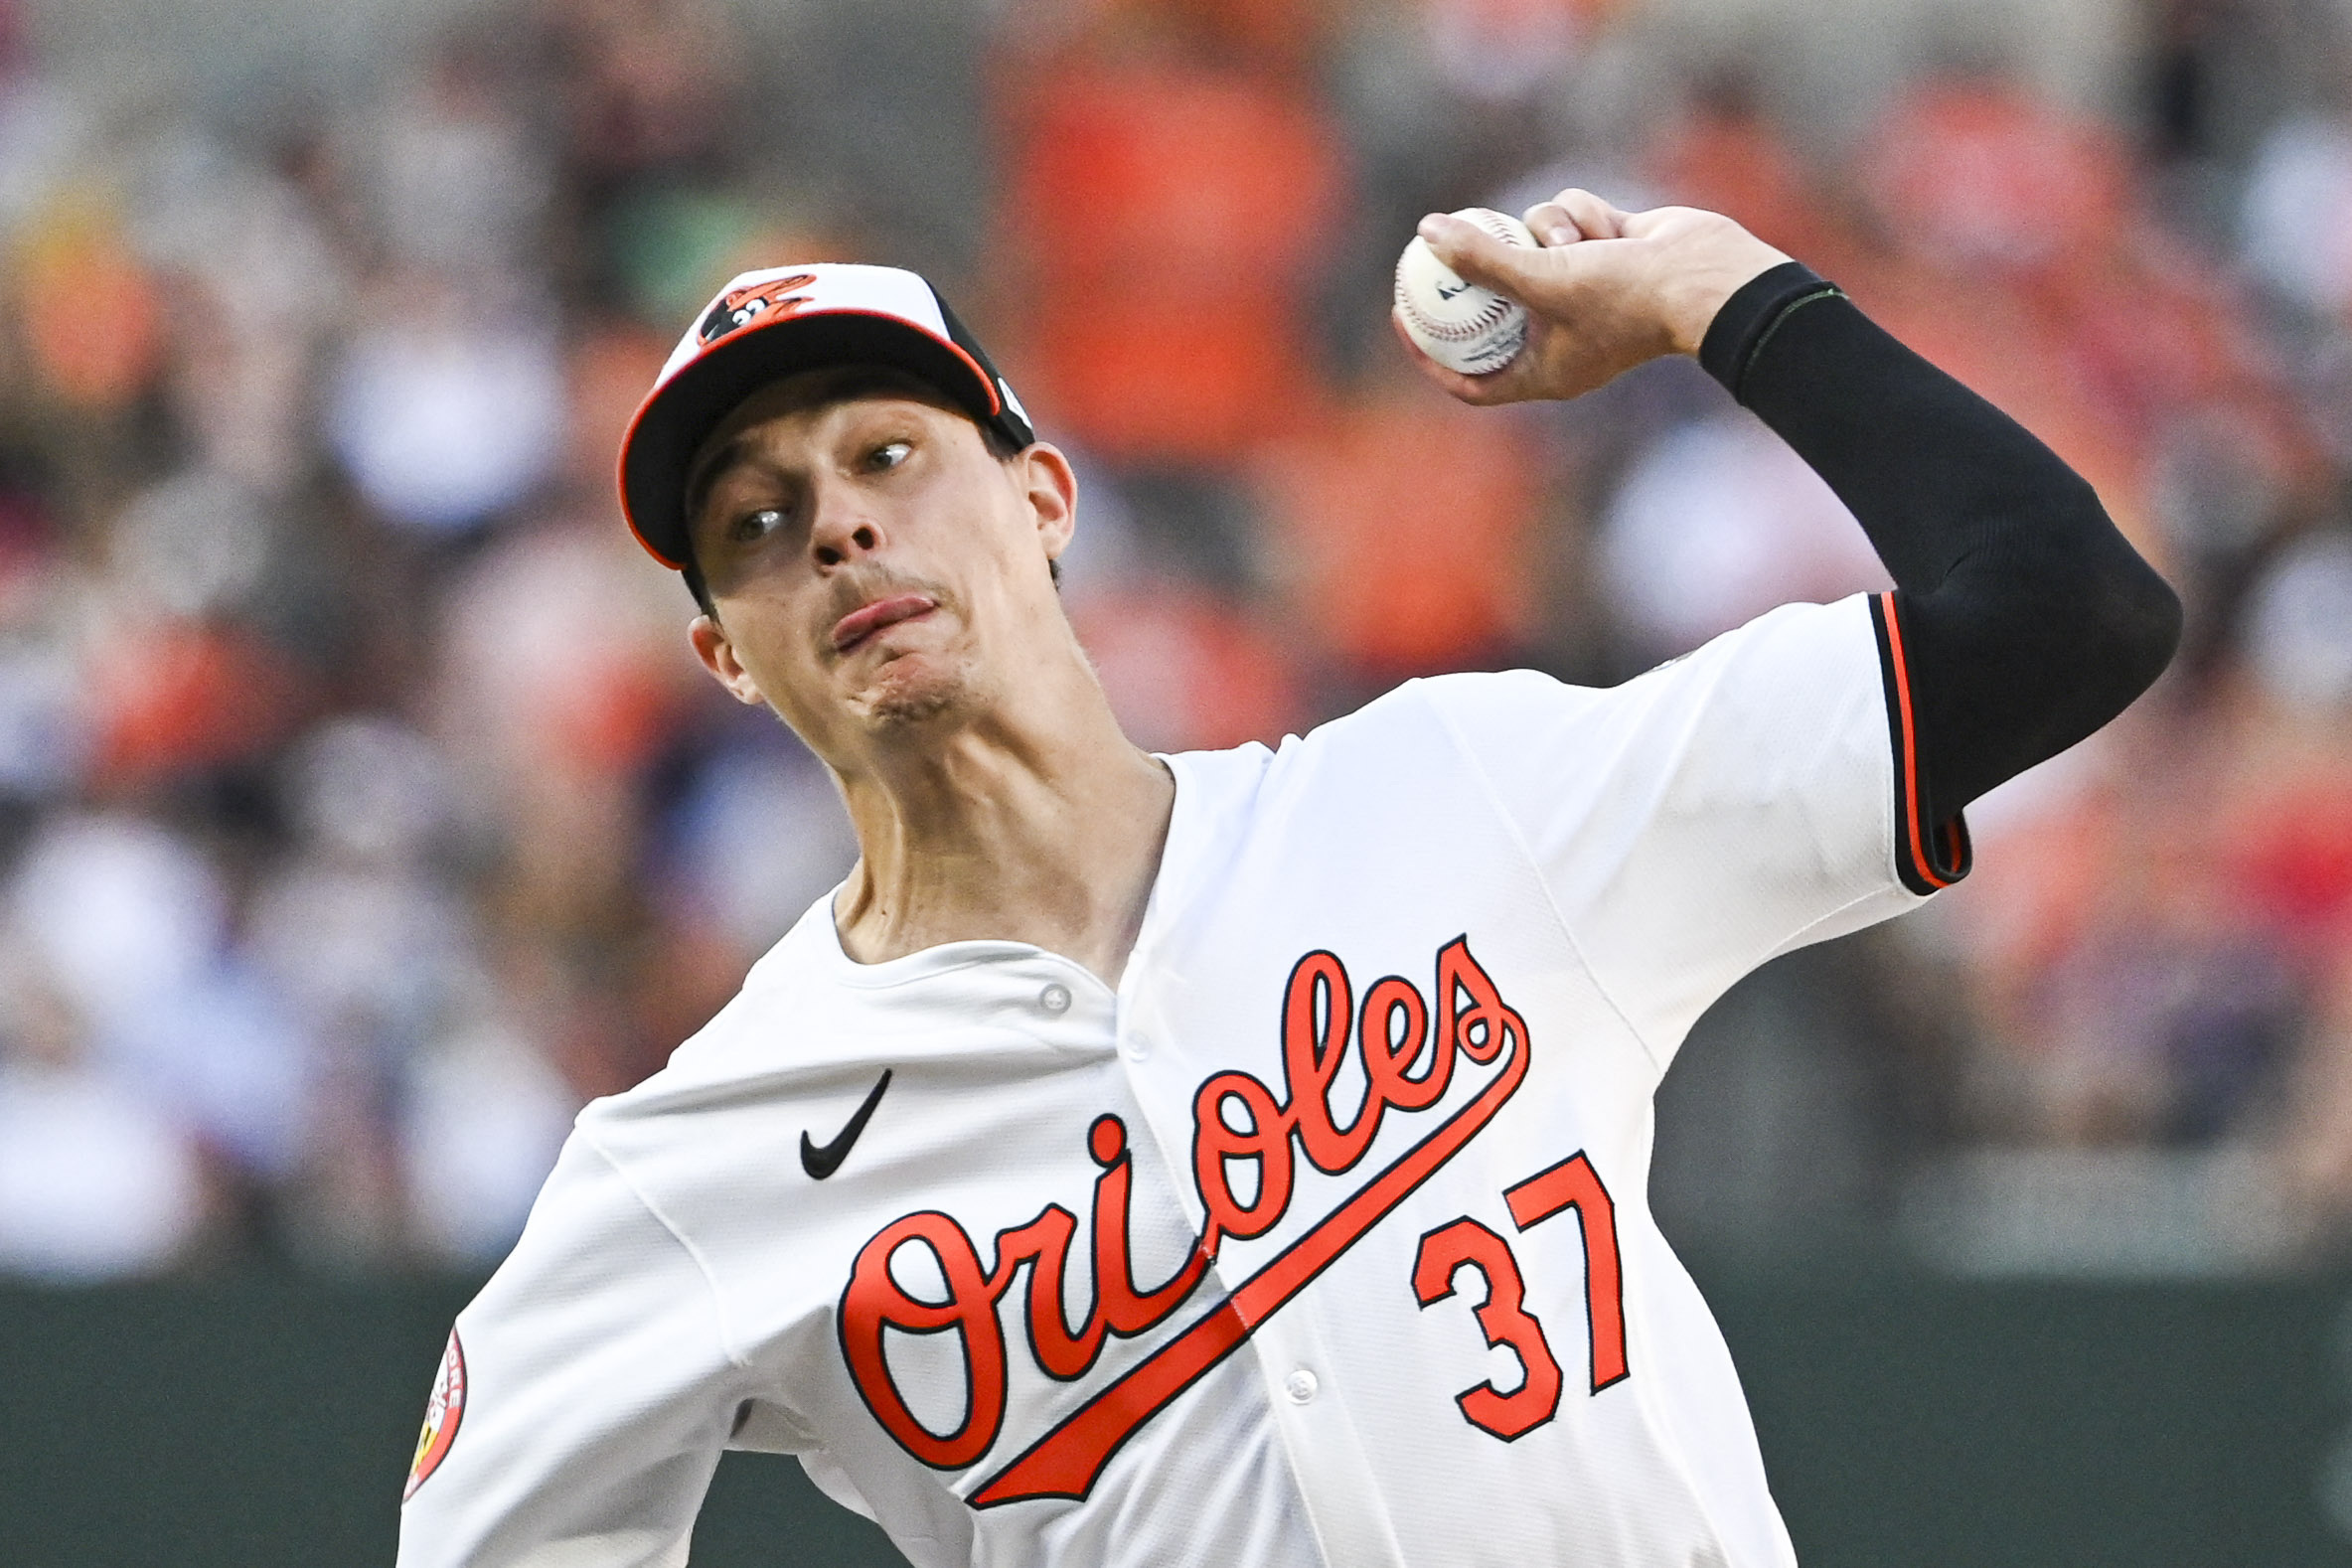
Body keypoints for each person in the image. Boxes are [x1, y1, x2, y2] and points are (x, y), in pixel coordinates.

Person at [395, 195, 2179, 1568]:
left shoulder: (1454, 795)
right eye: (758, 521)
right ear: (726, 655)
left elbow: (2065, 616)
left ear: (1042, 498)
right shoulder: (701, 1153)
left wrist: (1717, 294)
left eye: (886, 457)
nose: (841, 526)